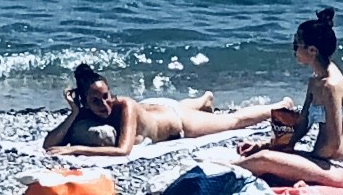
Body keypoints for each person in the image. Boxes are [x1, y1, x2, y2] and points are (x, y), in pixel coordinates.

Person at [235, 7, 343, 185]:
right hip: (323, 161)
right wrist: (267, 144)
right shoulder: (315, 82)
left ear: (312, 50)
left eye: (297, 44)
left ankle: (224, 169)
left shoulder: (331, 86)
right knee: (265, 158)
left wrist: (305, 159)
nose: (294, 50)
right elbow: (301, 126)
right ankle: (234, 167)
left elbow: (333, 143)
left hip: (340, 166)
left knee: (264, 160)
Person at [45, 64, 269, 156]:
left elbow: (123, 151)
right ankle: (204, 99)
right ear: (84, 102)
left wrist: (75, 150)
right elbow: (49, 144)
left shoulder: (125, 106)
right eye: (96, 101)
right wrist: (74, 112)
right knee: (179, 105)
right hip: (156, 109)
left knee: (233, 121)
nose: (105, 104)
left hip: (177, 121)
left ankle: (280, 106)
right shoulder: (86, 111)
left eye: (107, 96)